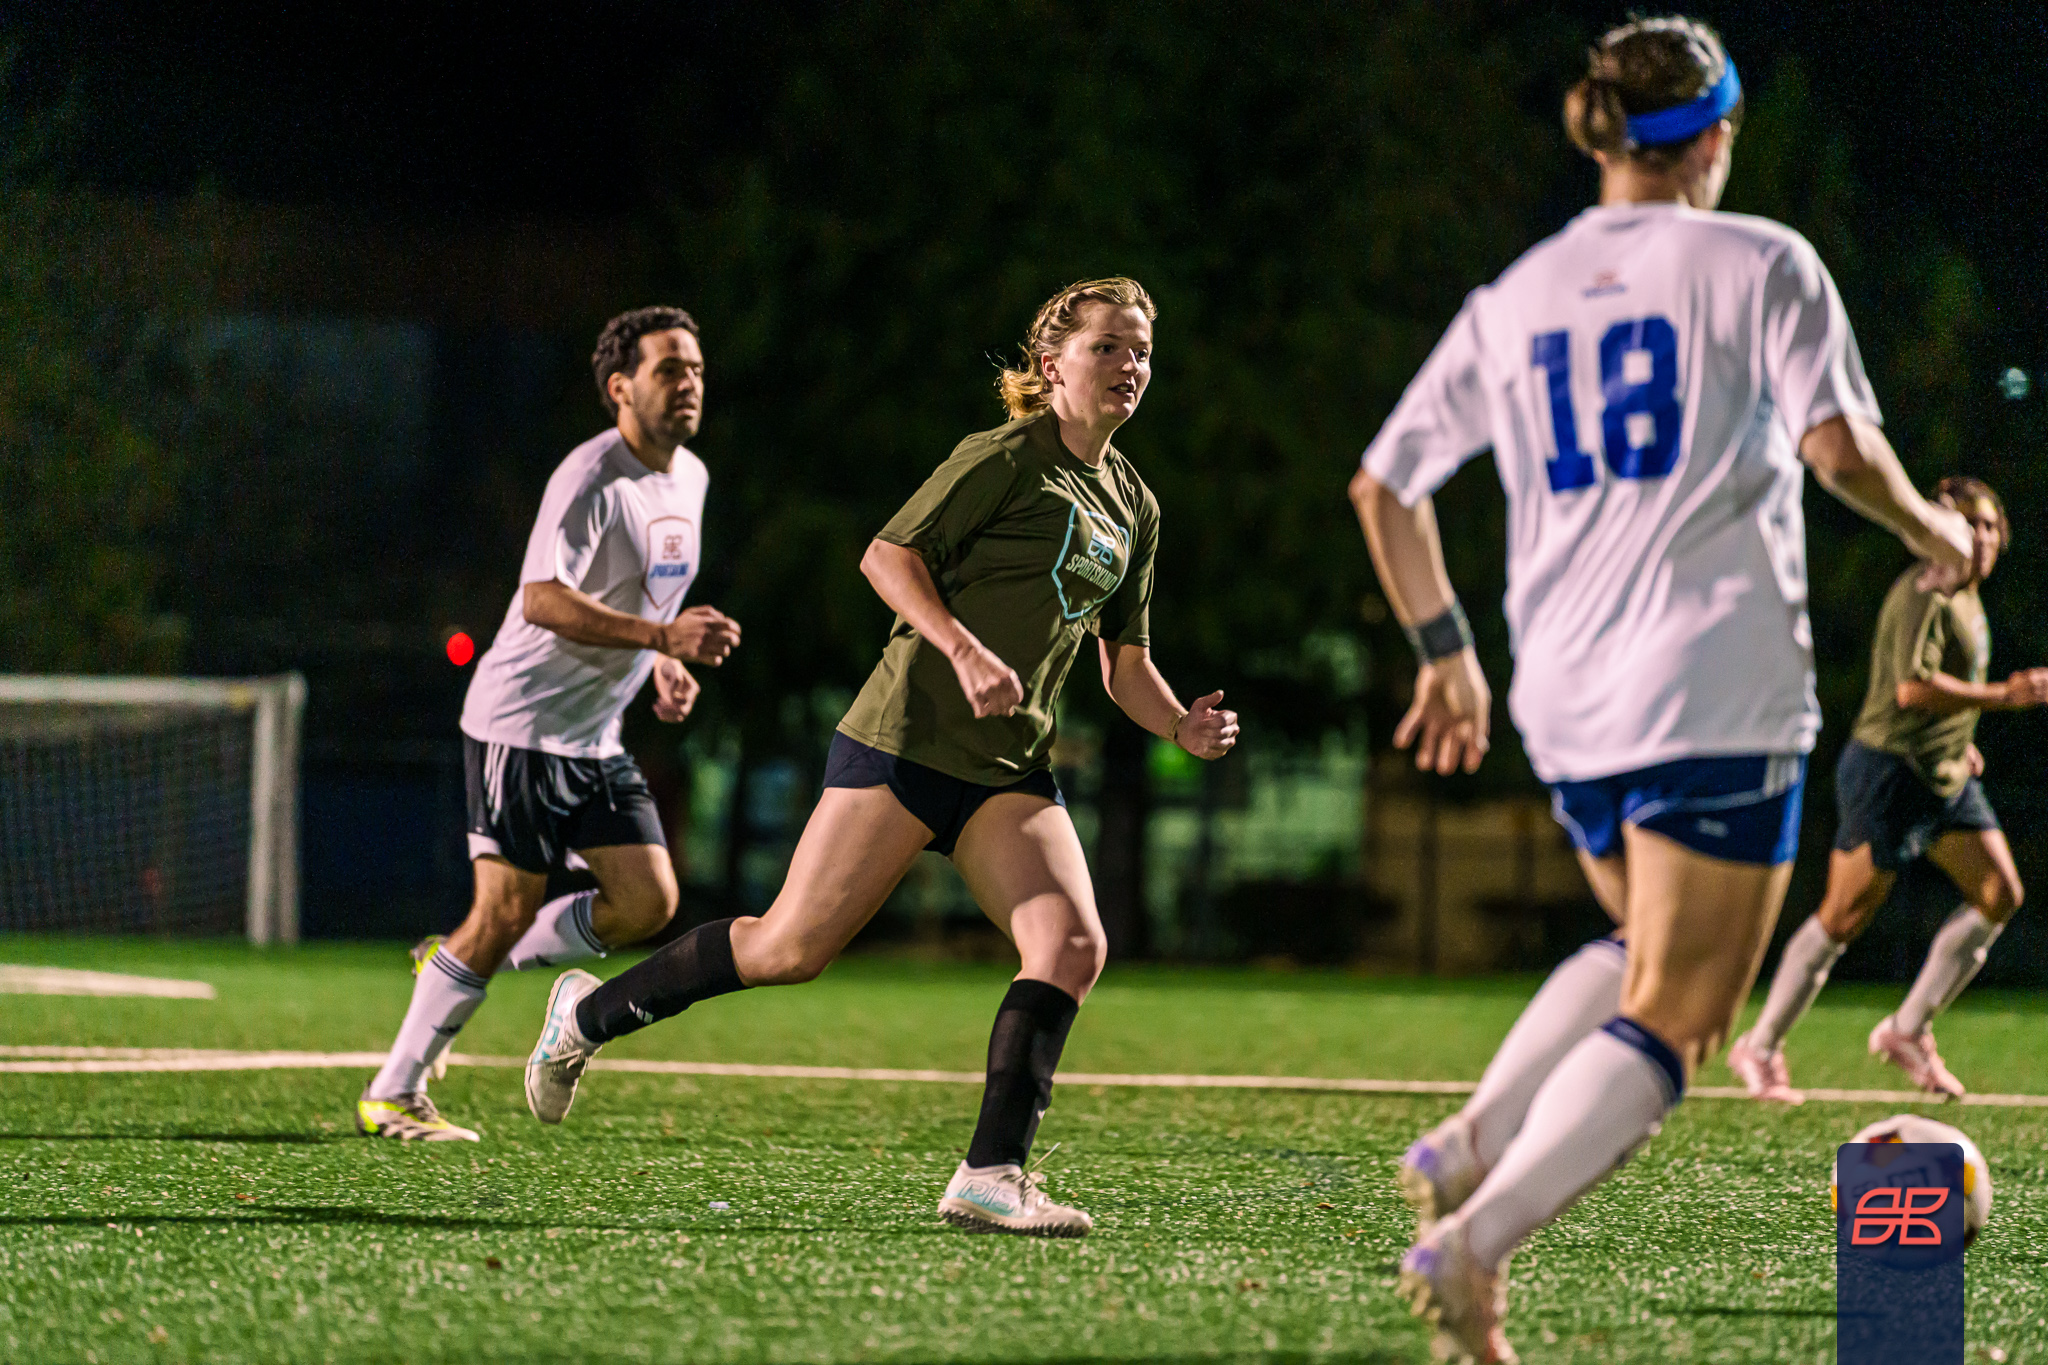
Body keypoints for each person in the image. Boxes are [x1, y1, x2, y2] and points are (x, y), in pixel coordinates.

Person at [1348, 17, 1972, 1362]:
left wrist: (1446, 648)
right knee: (1682, 1017)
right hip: (1711, 683)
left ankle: (1467, 1143)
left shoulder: (1512, 297)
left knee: (1644, 954)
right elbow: (1839, 447)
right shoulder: (1760, 261)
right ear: (1718, 136)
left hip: (1562, 692)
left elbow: (1384, 486)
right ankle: (1475, 1240)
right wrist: (1931, 531)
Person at [522, 276, 1237, 1235]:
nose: (1130, 366)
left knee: (1072, 944)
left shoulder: (1134, 503)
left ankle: (991, 1173)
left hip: (1007, 767)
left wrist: (1179, 724)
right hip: (907, 738)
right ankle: (585, 1017)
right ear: (1053, 360)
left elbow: (1125, 661)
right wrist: (964, 646)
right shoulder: (1004, 457)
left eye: (1141, 350)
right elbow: (887, 557)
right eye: (1107, 346)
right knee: (787, 948)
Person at [355, 306, 742, 1141]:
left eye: (696, 369)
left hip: (593, 734)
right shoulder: (591, 475)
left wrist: (663, 662)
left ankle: (453, 958)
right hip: (520, 726)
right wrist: (661, 638)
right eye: (669, 369)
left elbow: (648, 598)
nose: (689, 384)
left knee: (647, 900)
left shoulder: (693, 479)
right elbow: (544, 598)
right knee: (501, 909)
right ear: (619, 387)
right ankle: (393, 1091)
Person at [1730, 477, 2046, 1102]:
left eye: (1988, 525)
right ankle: (1759, 1045)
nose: (1979, 536)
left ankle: (1907, 1030)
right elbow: (1911, 690)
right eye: (1965, 523)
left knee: (1998, 893)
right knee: (1843, 917)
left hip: (1943, 776)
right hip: (1888, 771)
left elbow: (1941, 696)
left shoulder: (1966, 596)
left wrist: (1962, 739)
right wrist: (2002, 697)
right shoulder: (1927, 589)